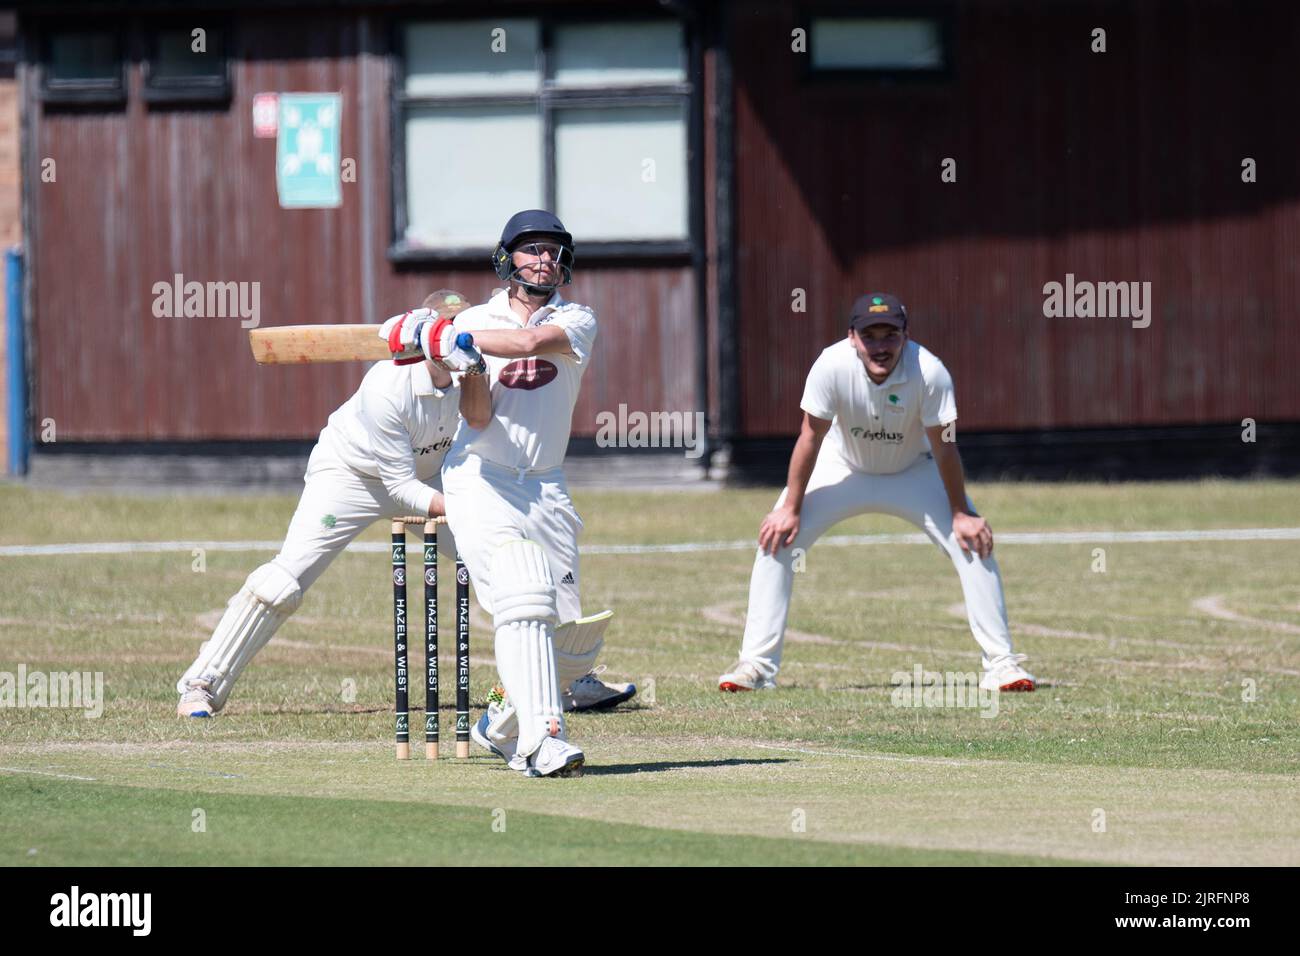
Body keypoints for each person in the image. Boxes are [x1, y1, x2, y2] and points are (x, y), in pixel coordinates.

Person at [387, 210, 633, 778]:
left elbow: (527, 341)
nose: (543, 260)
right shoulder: (475, 318)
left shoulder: (577, 319)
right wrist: (449, 355)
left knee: (567, 642)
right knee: (521, 594)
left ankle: (498, 727)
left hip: (546, 483)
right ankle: (542, 743)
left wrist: (453, 336)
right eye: (532, 250)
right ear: (508, 258)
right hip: (480, 478)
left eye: (553, 251)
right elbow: (474, 414)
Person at [717, 293, 1036, 694]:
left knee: (972, 540)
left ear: (906, 336)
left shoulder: (930, 372)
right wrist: (791, 508)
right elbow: (810, 437)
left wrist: (961, 512)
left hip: (913, 470)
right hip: (842, 465)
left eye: (891, 335)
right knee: (775, 539)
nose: (881, 346)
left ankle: (1002, 666)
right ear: (853, 338)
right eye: (870, 335)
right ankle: (756, 668)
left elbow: (944, 446)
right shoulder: (831, 366)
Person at [176, 292, 476, 717]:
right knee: (281, 582)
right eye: (450, 331)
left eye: (467, 331)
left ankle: (562, 675)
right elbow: (400, 487)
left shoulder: (475, 377)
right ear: (425, 334)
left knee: (500, 556)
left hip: (429, 477)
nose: (460, 342)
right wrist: (466, 508)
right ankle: (201, 684)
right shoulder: (386, 384)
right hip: (350, 475)